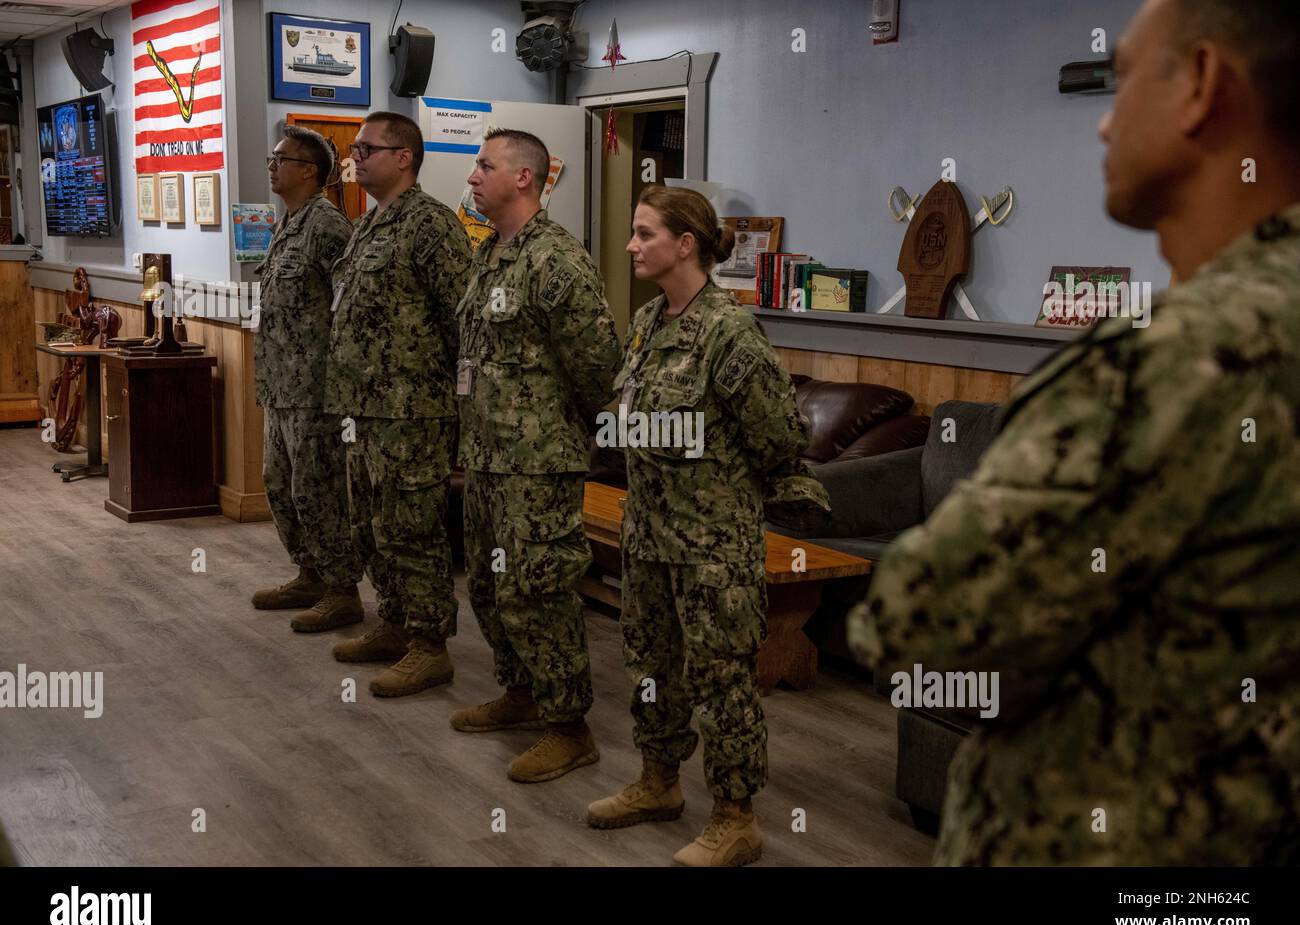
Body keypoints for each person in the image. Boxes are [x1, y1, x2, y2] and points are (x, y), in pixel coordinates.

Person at [848, 0, 1300, 865]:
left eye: (1125, 79)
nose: (1101, 120)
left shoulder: (1175, 359)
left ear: (1202, 85)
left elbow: (916, 625)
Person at [587, 185, 827, 866]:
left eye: (643, 233)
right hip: (649, 535)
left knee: (723, 683)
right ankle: (657, 783)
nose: (631, 246)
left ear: (684, 244)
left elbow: (778, 436)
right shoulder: (649, 322)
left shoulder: (730, 331)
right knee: (651, 668)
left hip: (711, 546)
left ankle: (734, 817)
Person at [450, 129, 620, 783]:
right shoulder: (491, 254)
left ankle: (568, 727)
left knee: (538, 591)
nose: (473, 176)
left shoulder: (558, 260)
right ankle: (520, 693)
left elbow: (599, 369)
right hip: (488, 456)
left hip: (538, 461)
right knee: (491, 588)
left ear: (525, 178)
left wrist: (553, 429)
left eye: (485, 165)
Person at [325, 111, 473, 697]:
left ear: (404, 157)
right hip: (362, 410)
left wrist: (462, 412)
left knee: (413, 530)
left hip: (414, 413)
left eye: (367, 149)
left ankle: (429, 645)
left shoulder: (432, 226)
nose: (355, 158)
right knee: (370, 525)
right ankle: (392, 623)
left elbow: (463, 323)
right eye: (355, 150)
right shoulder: (368, 224)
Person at [250, 127, 364, 634]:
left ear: (309, 171)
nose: (272, 166)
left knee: (317, 490)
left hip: (316, 392)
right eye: (272, 158)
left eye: (282, 159)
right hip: (281, 386)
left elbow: (351, 307)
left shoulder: (328, 227)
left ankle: (342, 589)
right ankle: (310, 573)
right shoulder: (288, 223)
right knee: (279, 485)